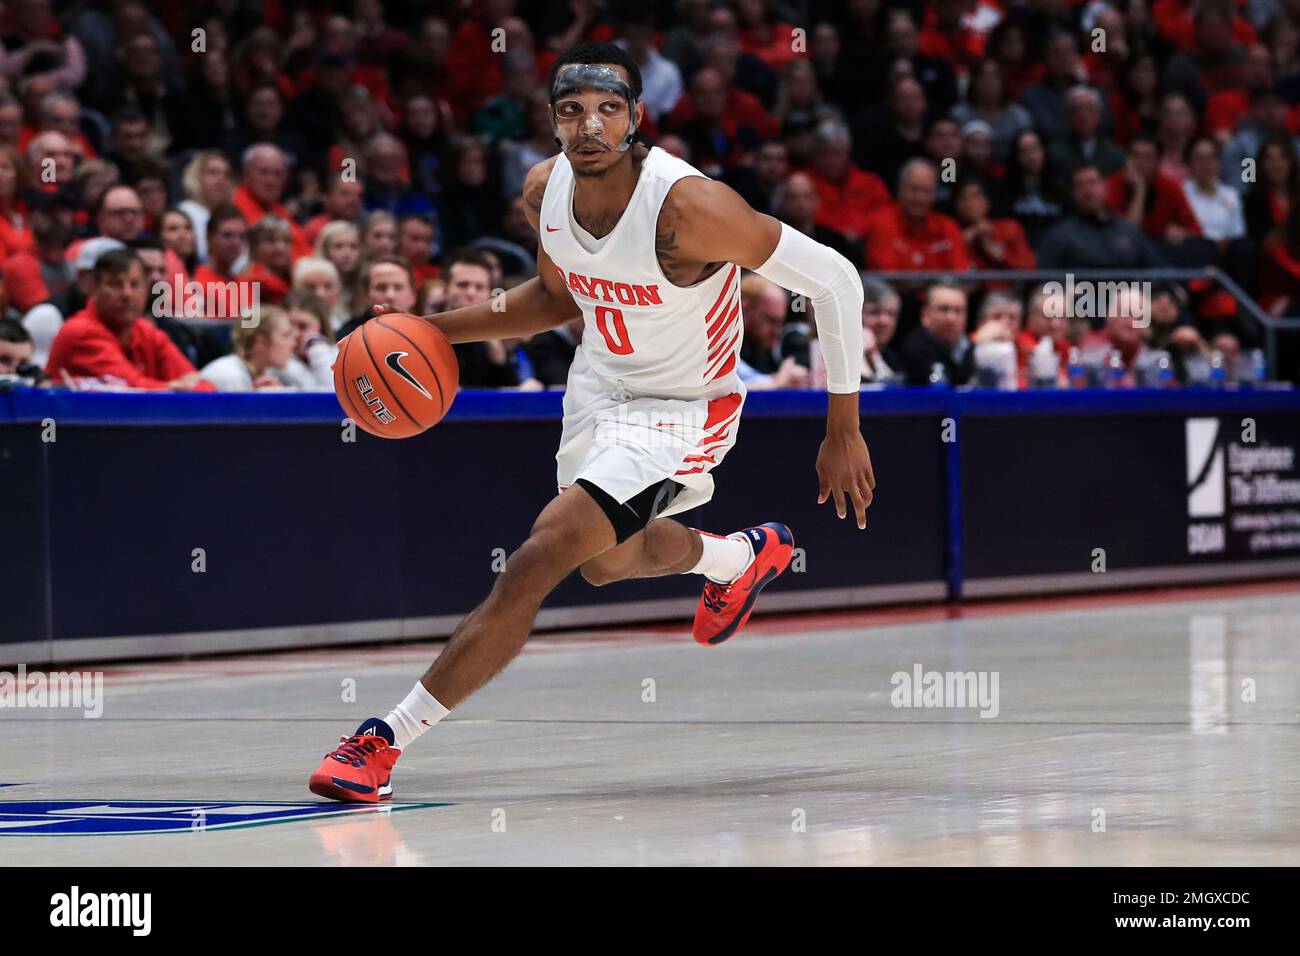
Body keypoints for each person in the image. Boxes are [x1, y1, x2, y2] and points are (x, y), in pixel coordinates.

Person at [308, 43, 872, 803]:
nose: (590, 125)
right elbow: (556, 298)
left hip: (684, 411)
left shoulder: (692, 210)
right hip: (600, 390)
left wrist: (843, 425)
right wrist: (432, 329)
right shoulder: (545, 191)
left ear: (637, 118)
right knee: (608, 562)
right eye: (571, 111)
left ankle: (381, 741)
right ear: (551, 121)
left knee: (540, 557)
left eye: (609, 109)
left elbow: (835, 279)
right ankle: (738, 559)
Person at [44, 247, 213, 390]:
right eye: (115, 285)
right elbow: (132, 390)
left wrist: (185, 387)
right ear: (94, 289)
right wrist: (176, 388)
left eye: (135, 284)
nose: (127, 294)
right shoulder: (80, 333)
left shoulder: (145, 331)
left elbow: (204, 386)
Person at [898, 281, 972, 386]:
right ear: (925, 315)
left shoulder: (968, 345)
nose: (951, 318)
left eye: (958, 311)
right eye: (943, 309)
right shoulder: (914, 348)